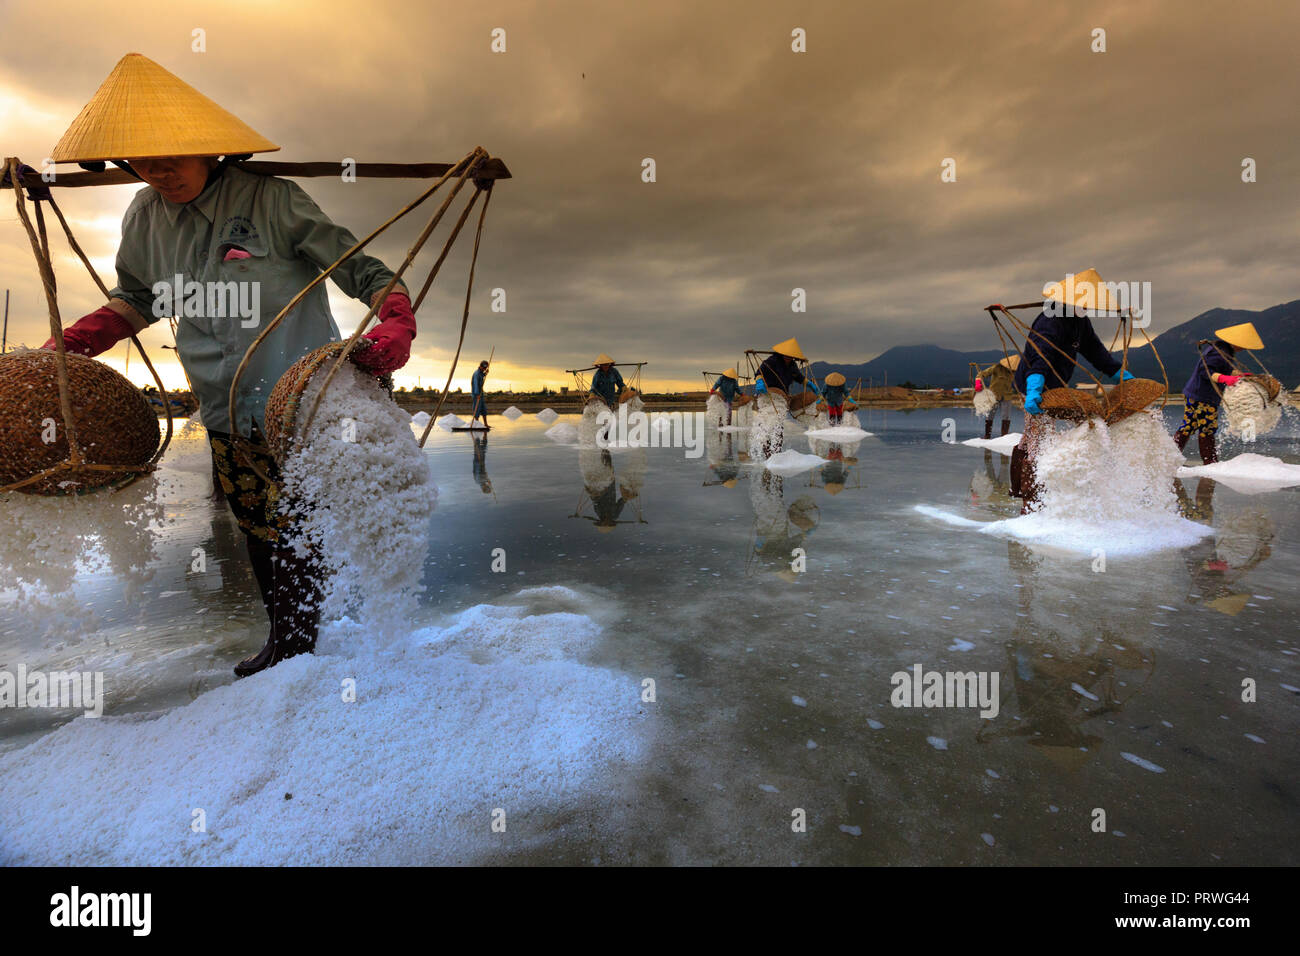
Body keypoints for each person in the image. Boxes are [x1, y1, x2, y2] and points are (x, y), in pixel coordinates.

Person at [41, 54, 416, 677]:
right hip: (221, 403)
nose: (161, 173)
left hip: (303, 403)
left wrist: (396, 316)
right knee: (256, 527)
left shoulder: (272, 202)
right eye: (143, 161)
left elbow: (358, 268)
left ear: (211, 150)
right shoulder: (142, 217)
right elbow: (138, 299)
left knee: (300, 526)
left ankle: (301, 650)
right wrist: (76, 341)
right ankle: (286, 643)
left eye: (174, 158)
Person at [1006, 271, 1133, 510]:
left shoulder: (1080, 322)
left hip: (1056, 385)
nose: (1086, 307)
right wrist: (1035, 389)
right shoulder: (1051, 319)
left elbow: (1097, 354)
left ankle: (1019, 488)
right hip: (1034, 381)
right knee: (1039, 437)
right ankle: (1030, 500)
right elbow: (1039, 355)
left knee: (1035, 435)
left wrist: (1121, 375)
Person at [1173, 323, 1263, 465]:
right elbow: (1206, 371)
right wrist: (1225, 378)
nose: (1244, 348)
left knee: (1188, 426)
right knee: (1207, 427)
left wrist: (1237, 375)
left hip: (1196, 394)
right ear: (1236, 342)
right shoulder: (1218, 352)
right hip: (1203, 396)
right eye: (1243, 345)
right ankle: (1210, 462)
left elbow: (1222, 368)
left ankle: (1170, 458)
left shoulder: (1223, 350)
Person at [974, 355, 1018, 440]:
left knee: (1006, 417)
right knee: (990, 416)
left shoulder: (1014, 372)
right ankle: (987, 435)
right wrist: (978, 383)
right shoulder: (996, 368)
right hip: (993, 396)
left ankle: (1004, 436)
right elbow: (981, 374)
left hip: (1007, 396)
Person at [470, 359, 490, 429]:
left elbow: (482, 375)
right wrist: (477, 394)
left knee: (484, 409)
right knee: (477, 410)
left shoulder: (481, 373)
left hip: (481, 394)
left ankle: (485, 424)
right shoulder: (476, 374)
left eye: (485, 368)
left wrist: (485, 373)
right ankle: (476, 425)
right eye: (484, 368)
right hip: (476, 395)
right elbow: (475, 385)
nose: (484, 369)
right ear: (480, 366)